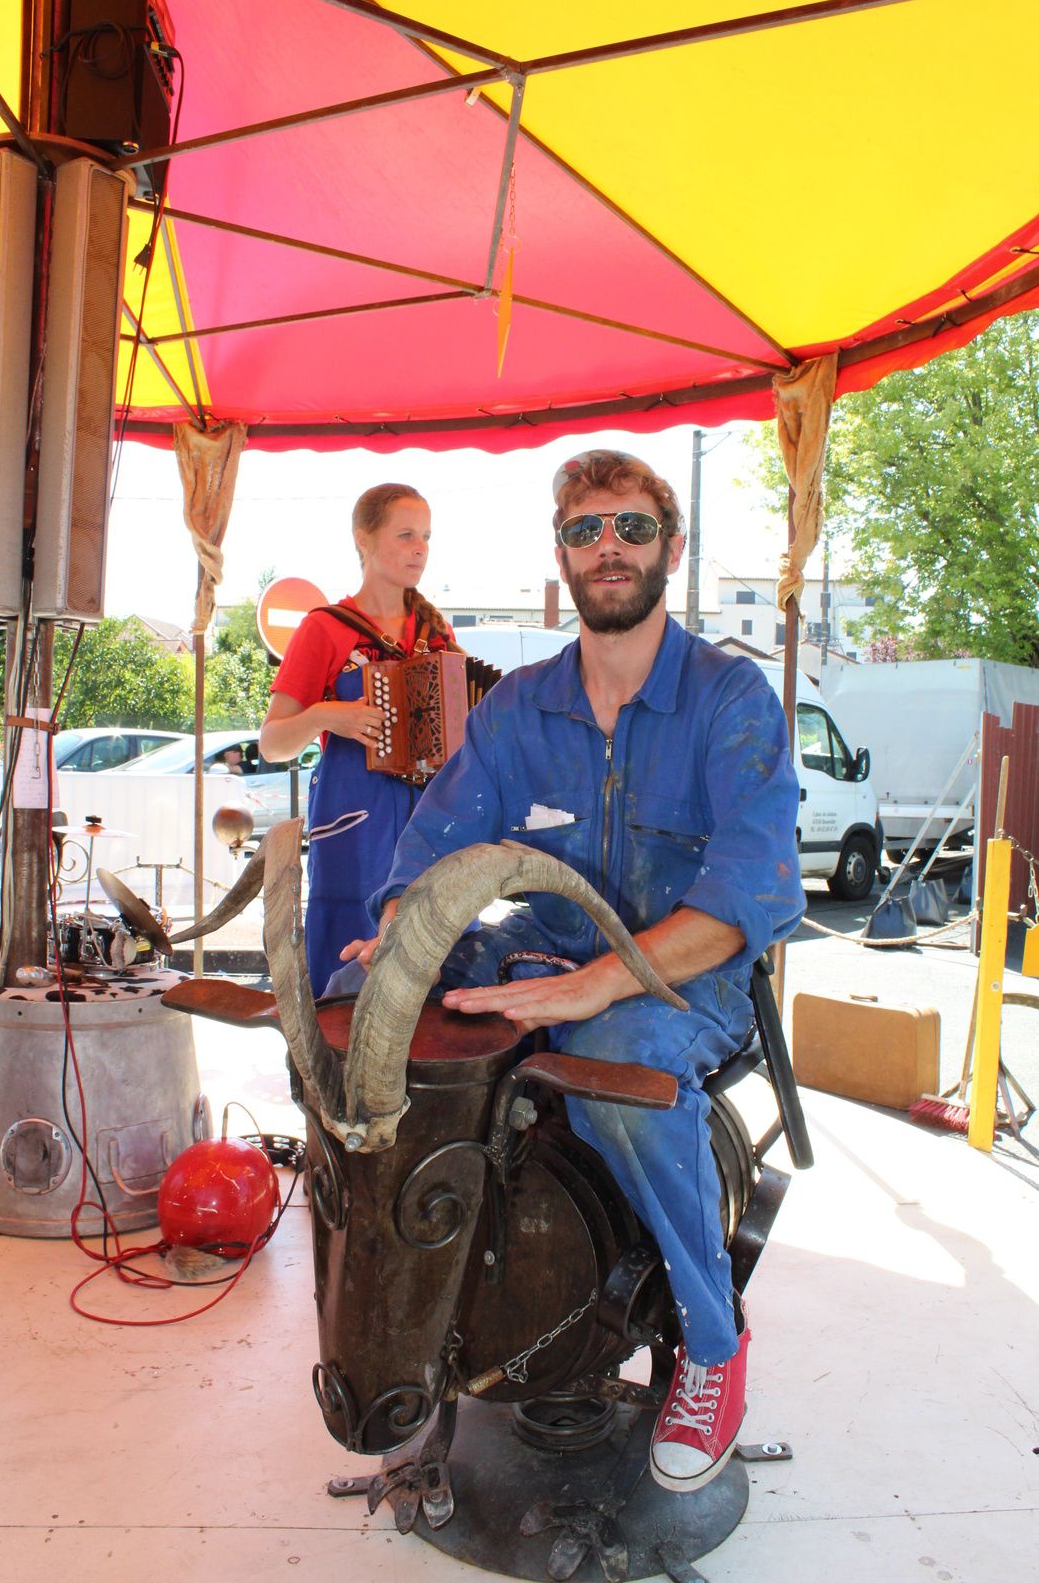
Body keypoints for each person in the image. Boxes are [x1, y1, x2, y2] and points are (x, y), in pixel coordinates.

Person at [338, 448, 805, 1494]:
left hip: (693, 981)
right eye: (586, 530)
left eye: (631, 528)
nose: (609, 548)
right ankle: (419, 1302)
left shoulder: (730, 699)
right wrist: (404, 933)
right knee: (372, 998)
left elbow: (752, 890)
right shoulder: (518, 710)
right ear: (561, 556)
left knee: (612, 1042)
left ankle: (711, 1344)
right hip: (540, 952)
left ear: (669, 551)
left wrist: (599, 984)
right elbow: (434, 855)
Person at [260, 483, 456, 995]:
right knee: (343, 964)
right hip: (351, 827)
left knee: (432, 953)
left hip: (428, 822)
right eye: (406, 535)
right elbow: (272, 744)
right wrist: (327, 715)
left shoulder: (437, 635)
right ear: (362, 541)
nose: (420, 549)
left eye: (427, 537)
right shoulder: (325, 629)